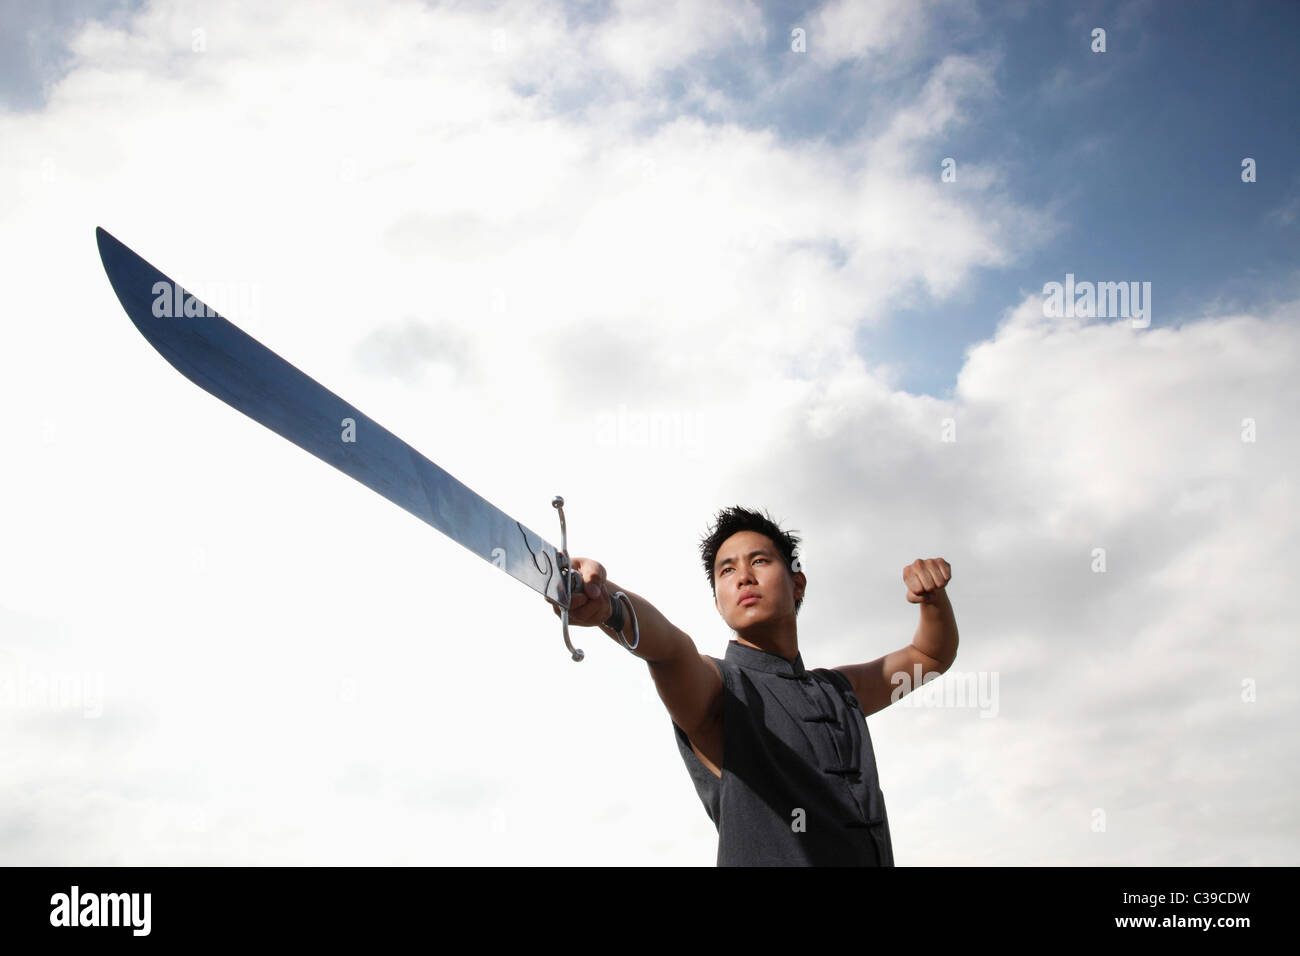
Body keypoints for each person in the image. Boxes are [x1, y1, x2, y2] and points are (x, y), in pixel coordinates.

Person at [552, 505, 958, 866]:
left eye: (759, 561)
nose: (743, 576)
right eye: (726, 570)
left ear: (797, 584)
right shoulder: (722, 689)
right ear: (718, 602)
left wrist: (933, 599)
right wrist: (608, 604)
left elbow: (930, 658)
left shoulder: (839, 690)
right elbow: (671, 651)